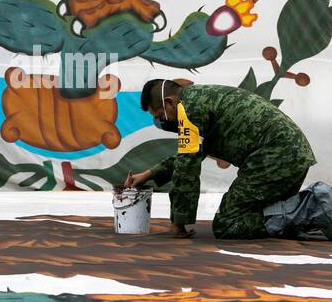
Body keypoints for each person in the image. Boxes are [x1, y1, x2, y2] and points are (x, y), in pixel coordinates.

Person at [124, 79, 316, 239]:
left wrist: (178, 222)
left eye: (161, 115)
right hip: (291, 154)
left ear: (170, 102)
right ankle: (309, 212)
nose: (164, 122)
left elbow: (186, 170)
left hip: (275, 158)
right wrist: (148, 174)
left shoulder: (189, 111)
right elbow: (188, 156)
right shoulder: (200, 98)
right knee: (267, 211)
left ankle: (311, 213)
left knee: (227, 224)